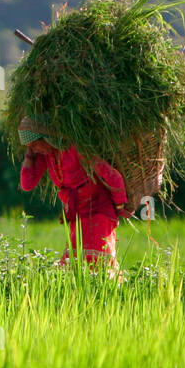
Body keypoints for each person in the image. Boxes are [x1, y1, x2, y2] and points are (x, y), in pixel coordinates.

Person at [17, 116, 129, 276]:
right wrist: (29, 155)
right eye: (30, 147)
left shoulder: (75, 149)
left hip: (97, 210)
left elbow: (110, 175)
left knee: (94, 266)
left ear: (46, 138)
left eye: (34, 144)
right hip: (77, 215)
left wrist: (120, 204)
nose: (34, 149)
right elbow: (27, 184)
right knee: (74, 267)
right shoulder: (47, 155)